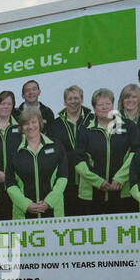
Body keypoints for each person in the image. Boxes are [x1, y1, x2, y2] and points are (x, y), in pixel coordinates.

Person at [74, 88, 139, 214]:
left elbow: (136, 153)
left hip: (122, 191)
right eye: (100, 104)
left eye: (107, 104)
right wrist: (98, 182)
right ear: (94, 108)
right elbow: (78, 160)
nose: (104, 107)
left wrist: (120, 178)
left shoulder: (128, 126)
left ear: (113, 105)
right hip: (91, 194)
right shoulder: (84, 129)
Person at [5, 105, 69, 219]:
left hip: (54, 213)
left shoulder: (56, 145)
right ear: (21, 127)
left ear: (40, 123)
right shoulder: (14, 150)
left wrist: (48, 202)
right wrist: (26, 204)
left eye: (34, 122)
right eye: (26, 123)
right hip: (23, 215)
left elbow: (63, 177)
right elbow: (10, 183)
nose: (30, 126)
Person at [46, 86, 91, 215]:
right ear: (64, 102)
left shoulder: (92, 120)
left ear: (82, 99)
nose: (73, 101)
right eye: (69, 98)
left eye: (76, 98)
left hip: (90, 180)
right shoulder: (55, 125)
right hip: (66, 180)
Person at [0, 90, 23, 221]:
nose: (6, 107)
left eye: (9, 104)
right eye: (2, 103)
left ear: (13, 106)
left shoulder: (21, 128)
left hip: (17, 184)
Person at [118, 83, 140, 147]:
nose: (130, 100)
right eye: (126, 97)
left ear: (139, 99)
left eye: (134, 97)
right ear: (122, 100)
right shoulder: (114, 118)